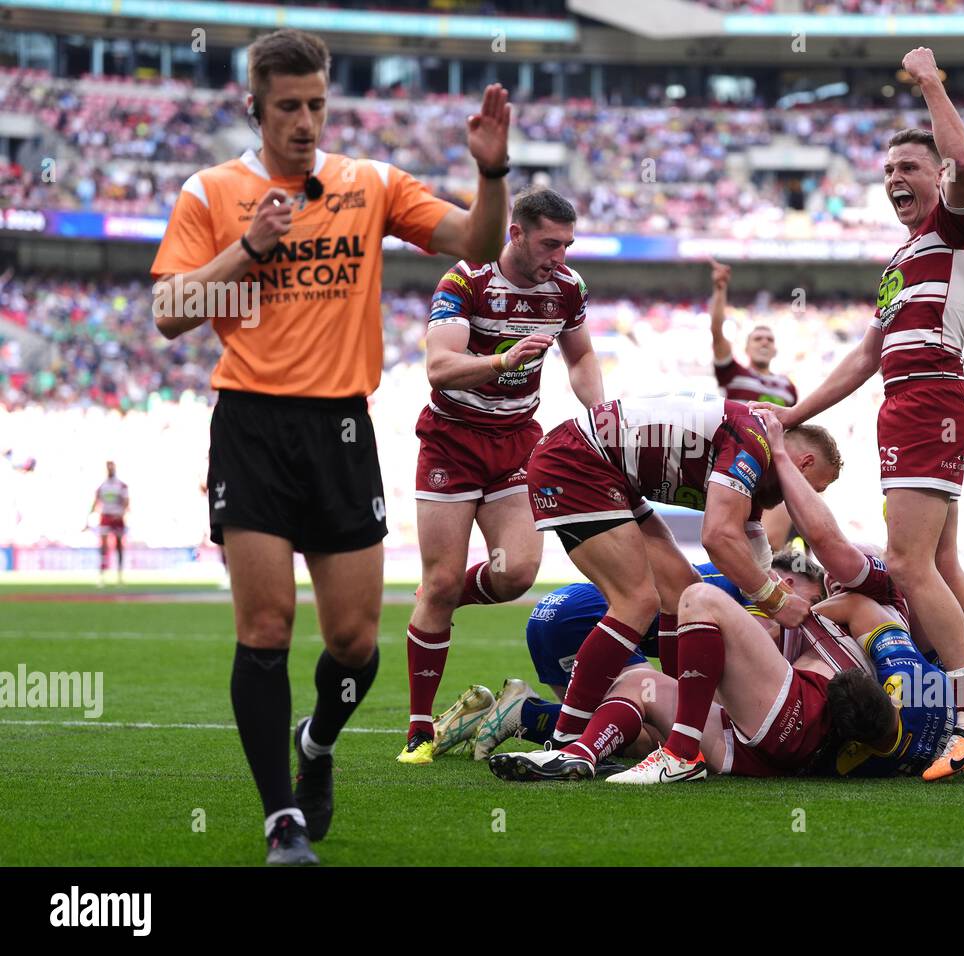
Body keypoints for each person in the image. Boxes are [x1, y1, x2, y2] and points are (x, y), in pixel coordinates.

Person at [150, 27, 512, 864]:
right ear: (255, 107)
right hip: (250, 423)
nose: (305, 121)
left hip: (341, 428)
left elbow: (478, 245)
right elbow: (170, 314)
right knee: (267, 628)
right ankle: (281, 820)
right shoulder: (212, 192)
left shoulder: (369, 183)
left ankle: (316, 742)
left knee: (354, 644)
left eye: (315, 103)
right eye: (288, 108)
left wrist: (491, 173)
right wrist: (250, 248)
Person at [756, 48, 964, 777]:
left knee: (905, 562)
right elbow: (866, 355)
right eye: (888, 173)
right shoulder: (901, 261)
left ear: (937, 177)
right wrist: (790, 412)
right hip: (908, 399)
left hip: (930, 396)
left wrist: (931, 83)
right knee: (937, 562)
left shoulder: (955, 226)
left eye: (910, 168)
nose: (896, 181)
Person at [398, 188, 604, 765]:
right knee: (440, 582)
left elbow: (582, 357)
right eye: (549, 244)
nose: (559, 257)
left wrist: (600, 414)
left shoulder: (567, 288)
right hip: (452, 440)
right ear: (515, 233)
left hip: (517, 441)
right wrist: (501, 360)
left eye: (567, 244)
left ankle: (436, 598)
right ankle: (419, 726)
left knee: (516, 575)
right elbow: (439, 369)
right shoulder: (465, 280)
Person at [519, 391, 841, 758]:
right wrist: (776, 600)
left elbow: (752, 553)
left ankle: (674, 719)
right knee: (637, 603)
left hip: (602, 468)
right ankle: (565, 740)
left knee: (682, 591)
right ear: (804, 462)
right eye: (815, 488)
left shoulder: (755, 457)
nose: (807, 499)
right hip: (577, 463)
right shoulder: (753, 444)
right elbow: (718, 538)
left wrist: (769, 612)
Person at [757, 407, 964, 775]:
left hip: (913, 706)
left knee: (926, 565)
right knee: (944, 565)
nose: (815, 495)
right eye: (818, 488)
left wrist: (787, 612)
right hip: (926, 698)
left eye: (818, 488)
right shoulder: (887, 598)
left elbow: (834, 552)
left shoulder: (877, 583)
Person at [468, 553, 824, 760]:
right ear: (789, 585)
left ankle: (503, 713)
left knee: (594, 726)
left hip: (559, 608)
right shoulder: (763, 590)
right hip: (591, 615)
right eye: (813, 600)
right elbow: (750, 664)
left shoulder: (735, 570)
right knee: (651, 737)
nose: (810, 613)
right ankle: (524, 713)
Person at [708, 258, 799, 552]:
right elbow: (717, 332)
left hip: (773, 467)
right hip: (737, 460)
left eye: (768, 338)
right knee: (732, 538)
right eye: (757, 337)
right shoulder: (733, 373)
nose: (763, 341)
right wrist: (720, 290)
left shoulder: (787, 387)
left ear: (775, 348)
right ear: (746, 347)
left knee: (771, 544)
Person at [87, 461, 128, 587]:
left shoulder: (121, 485)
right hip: (105, 516)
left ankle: (119, 576)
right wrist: (89, 517)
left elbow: (126, 501)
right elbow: (96, 502)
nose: (110, 469)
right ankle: (102, 576)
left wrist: (121, 513)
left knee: (119, 546)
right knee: (103, 547)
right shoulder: (102, 486)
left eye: (112, 467)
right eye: (108, 467)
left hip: (118, 517)